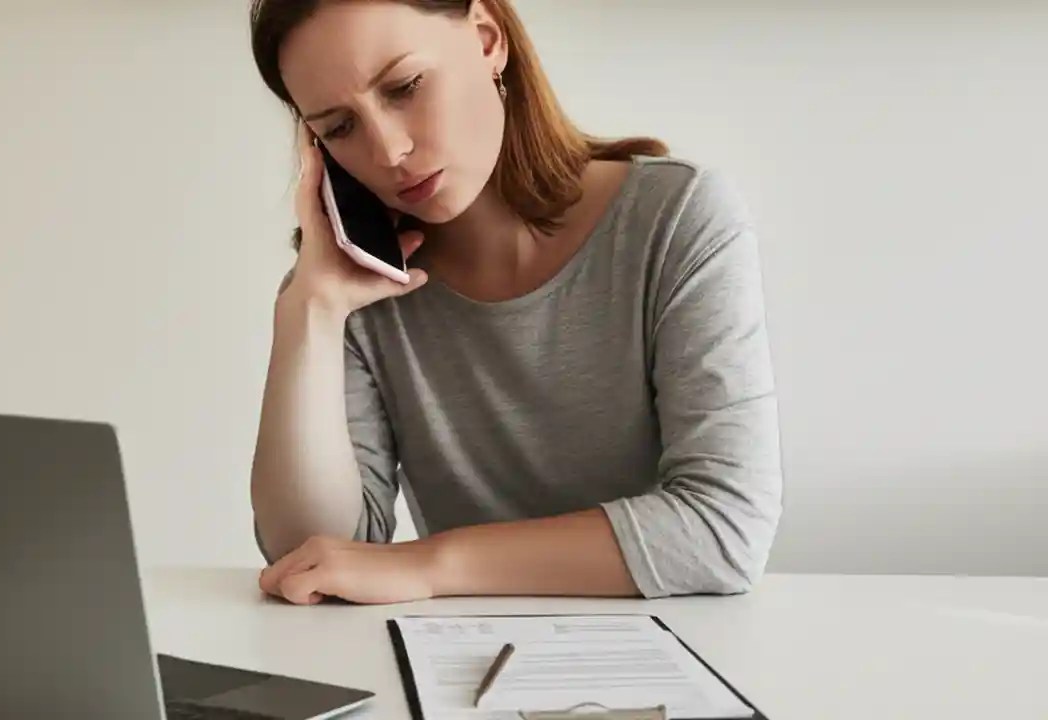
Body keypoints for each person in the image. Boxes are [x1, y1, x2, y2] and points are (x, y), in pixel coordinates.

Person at [247, 0, 784, 606]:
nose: (389, 149)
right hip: (459, 671)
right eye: (340, 127)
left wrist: (431, 565)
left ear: (485, 39)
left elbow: (723, 528)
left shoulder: (677, 219)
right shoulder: (357, 288)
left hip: (675, 661)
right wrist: (310, 310)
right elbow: (313, 559)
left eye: (404, 87)